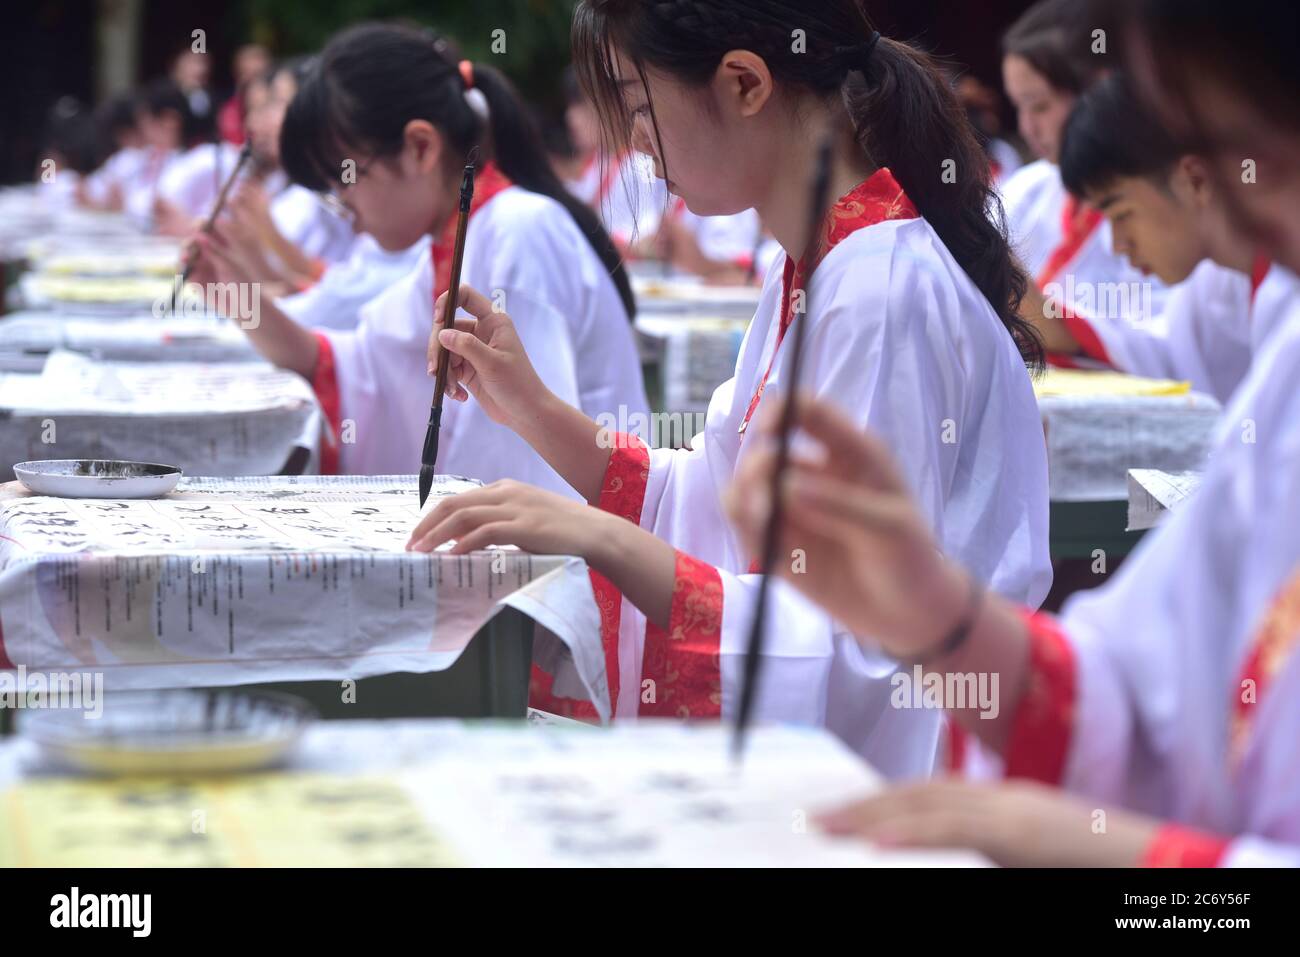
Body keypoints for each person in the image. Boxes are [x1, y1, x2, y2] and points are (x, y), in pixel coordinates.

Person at [407, 0, 1052, 776]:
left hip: (910, 779)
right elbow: (723, 492)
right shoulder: (816, 265)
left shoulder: (875, 291)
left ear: (745, 83)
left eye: (640, 106)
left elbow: (855, 640)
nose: (636, 143)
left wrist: (597, 535)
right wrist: (534, 409)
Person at [723, 0, 1300, 866]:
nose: (1227, 210)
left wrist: (1107, 852)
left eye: (1256, 155)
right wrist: (935, 612)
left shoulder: (884, 279)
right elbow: (1138, 697)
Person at [193, 23, 646, 488]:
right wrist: (232, 295)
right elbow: (347, 369)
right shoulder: (452, 241)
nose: (342, 205)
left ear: (420, 148)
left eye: (345, 178)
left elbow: (523, 469)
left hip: (582, 545)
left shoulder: (519, 232)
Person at [1030, 72, 1300, 402]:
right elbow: (1173, 364)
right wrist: (1047, 319)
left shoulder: (1283, 278)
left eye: (1121, 215)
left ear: (1194, 180)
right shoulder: (1216, 278)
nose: (1118, 244)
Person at [1000, 0, 1165, 334]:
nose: (1026, 127)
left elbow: (1158, 342)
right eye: (1019, 108)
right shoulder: (1025, 190)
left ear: (1098, 89)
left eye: (1040, 106)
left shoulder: (1157, 203)